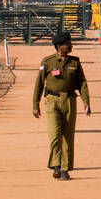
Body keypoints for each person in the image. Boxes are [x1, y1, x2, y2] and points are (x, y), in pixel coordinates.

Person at [32, 30, 91, 180]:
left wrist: (86, 101)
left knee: (68, 136)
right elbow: (39, 83)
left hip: (70, 101)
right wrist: (35, 104)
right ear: (59, 46)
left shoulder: (74, 62)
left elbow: (82, 83)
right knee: (55, 135)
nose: (70, 46)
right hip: (52, 101)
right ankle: (56, 165)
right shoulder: (47, 62)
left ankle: (65, 169)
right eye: (67, 44)